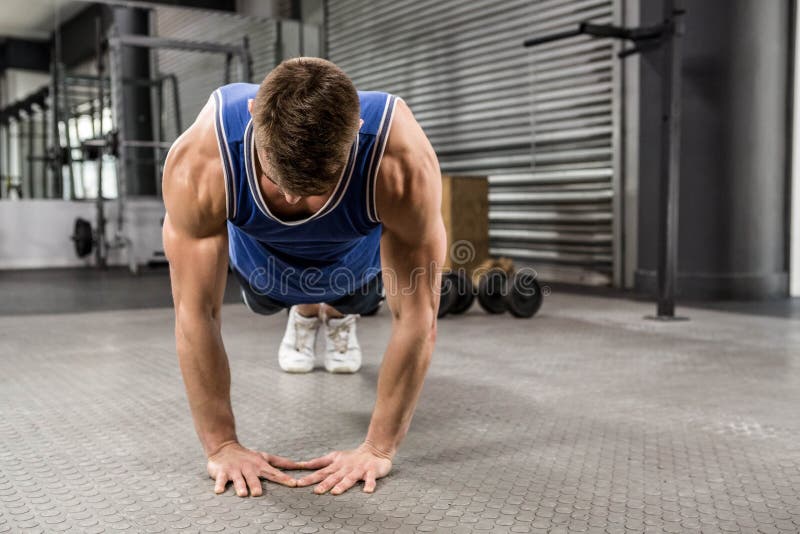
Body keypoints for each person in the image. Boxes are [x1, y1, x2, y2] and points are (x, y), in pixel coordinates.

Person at [162, 57, 445, 497]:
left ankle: (331, 312)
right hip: (263, 271)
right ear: (254, 111)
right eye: (277, 181)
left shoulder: (399, 161)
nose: (293, 197)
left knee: (356, 300)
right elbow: (196, 312)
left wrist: (377, 448)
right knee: (265, 301)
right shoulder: (203, 160)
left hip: (355, 271)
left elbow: (418, 317)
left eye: (318, 190)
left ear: (356, 133)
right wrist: (222, 446)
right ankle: (304, 311)